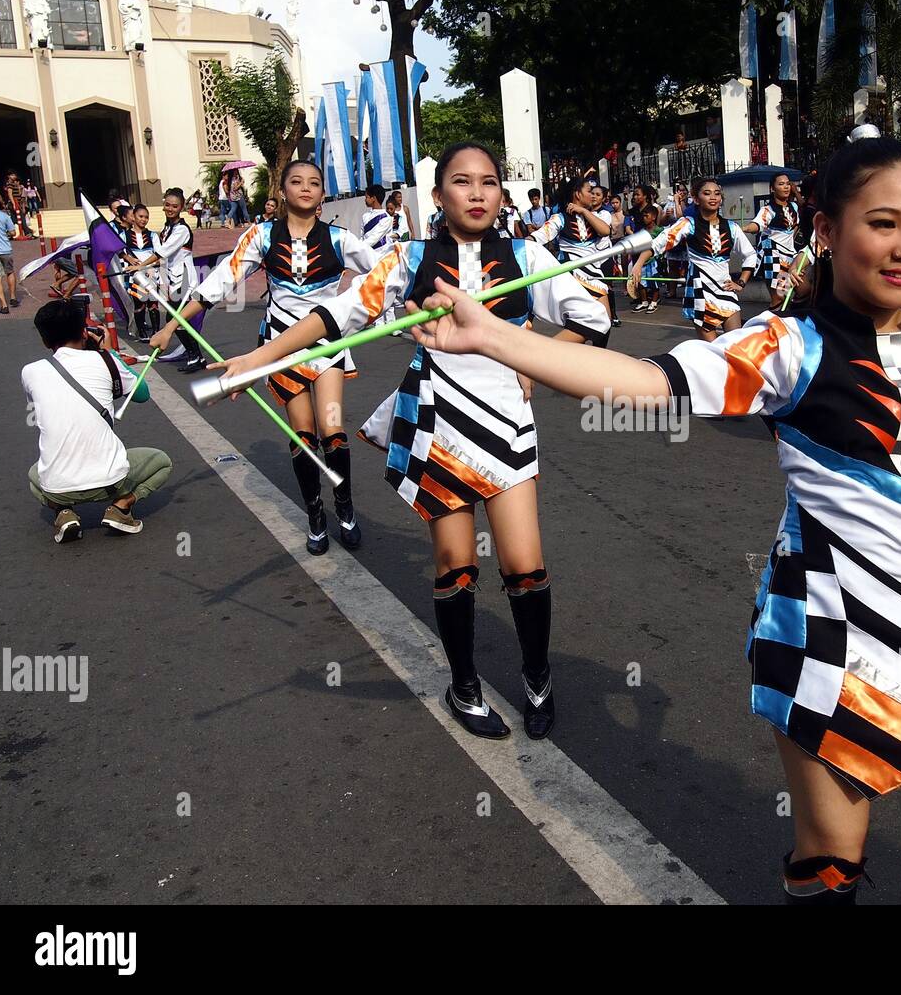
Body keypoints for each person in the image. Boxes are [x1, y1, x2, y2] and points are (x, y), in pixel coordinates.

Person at [404, 135, 901, 905]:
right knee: (831, 860)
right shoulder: (790, 348)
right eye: (883, 223)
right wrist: (493, 335)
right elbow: (647, 382)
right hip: (822, 627)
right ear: (826, 231)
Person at [209, 143, 612, 740]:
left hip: (506, 423)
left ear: (502, 193)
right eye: (461, 182)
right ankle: (465, 685)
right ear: (439, 195)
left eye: (489, 182)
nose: (477, 193)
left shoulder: (528, 255)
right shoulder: (409, 257)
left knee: (525, 567)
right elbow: (335, 317)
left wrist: (534, 357)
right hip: (439, 422)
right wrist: (257, 358)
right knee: (457, 566)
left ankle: (537, 678)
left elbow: (595, 319)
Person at [149, 160, 381, 553]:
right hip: (279, 348)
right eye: (296, 182)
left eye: (314, 182)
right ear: (283, 192)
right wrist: (171, 327)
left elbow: (388, 274)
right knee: (302, 435)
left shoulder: (342, 240)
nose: (306, 188)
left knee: (333, 431)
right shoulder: (261, 236)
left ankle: (344, 505)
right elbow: (220, 282)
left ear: (323, 194)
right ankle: (315, 516)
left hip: (326, 346)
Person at [23, 300, 172, 542]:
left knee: (34, 475)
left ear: (44, 340)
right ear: (84, 331)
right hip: (111, 482)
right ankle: (121, 507)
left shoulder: (30, 371)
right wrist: (111, 354)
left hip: (58, 488)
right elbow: (142, 394)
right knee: (162, 462)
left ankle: (64, 512)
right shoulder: (105, 360)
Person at [630, 176, 757, 341]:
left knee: (736, 347)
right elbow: (659, 243)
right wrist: (638, 264)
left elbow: (749, 254)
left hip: (726, 292)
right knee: (713, 351)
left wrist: (741, 282)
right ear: (696, 199)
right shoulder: (688, 224)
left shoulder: (731, 227)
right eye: (707, 193)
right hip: (700, 292)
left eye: (717, 194)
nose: (713, 197)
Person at [123, 188, 202, 370]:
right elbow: (163, 257)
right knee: (178, 319)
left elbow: (162, 252)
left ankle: (195, 356)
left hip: (184, 280)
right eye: (167, 205)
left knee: (176, 319)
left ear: (181, 208)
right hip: (171, 280)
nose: (170, 209)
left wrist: (140, 266)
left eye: (174, 206)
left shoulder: (181, 229)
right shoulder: (167, 228)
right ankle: (195, 356)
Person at [530, 175, 615, 323]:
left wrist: (584, 211)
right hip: (573, 272)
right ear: (578, 194)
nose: (592, 196)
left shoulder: (594, 216)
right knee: (589, 323)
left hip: (594, 272)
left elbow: (605, 231)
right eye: (589, 191)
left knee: (604, 322)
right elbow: (540, 235)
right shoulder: (560, 217)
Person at [743, 173, 803, 311]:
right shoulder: (767, 210)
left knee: (785, 296)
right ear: (772, 188)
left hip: (789, 257)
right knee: (778, 297)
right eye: (781, 184)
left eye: (788, 184)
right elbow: (757, 225)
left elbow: (795, 226)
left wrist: (790, 241)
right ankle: (770, 326)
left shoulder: (793, 206)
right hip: (773, 256)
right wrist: (744, 228)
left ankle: (778, 325)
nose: (786, 187)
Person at [124, 204, 160, 341]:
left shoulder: (152, 235)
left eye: (146, 217)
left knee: (153, 302)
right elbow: (118, 251)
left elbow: (159, 254)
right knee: (139, 303)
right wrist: (128, 258)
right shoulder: (125, 235)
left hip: (152, 273)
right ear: (133, 217)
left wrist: (151, 264)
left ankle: (156, 331)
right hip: (135, 276)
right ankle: (142, 331)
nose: (144, 220)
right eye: (141, 216)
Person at [359, 184, 392, 251]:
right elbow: (362, 237)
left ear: (373, 198)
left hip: (382, 256)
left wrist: (358, 248)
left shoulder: (386, 218)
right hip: (367, 254)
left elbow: (374, 238)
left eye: (366, 197)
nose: (365, 200)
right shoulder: (365, 216)